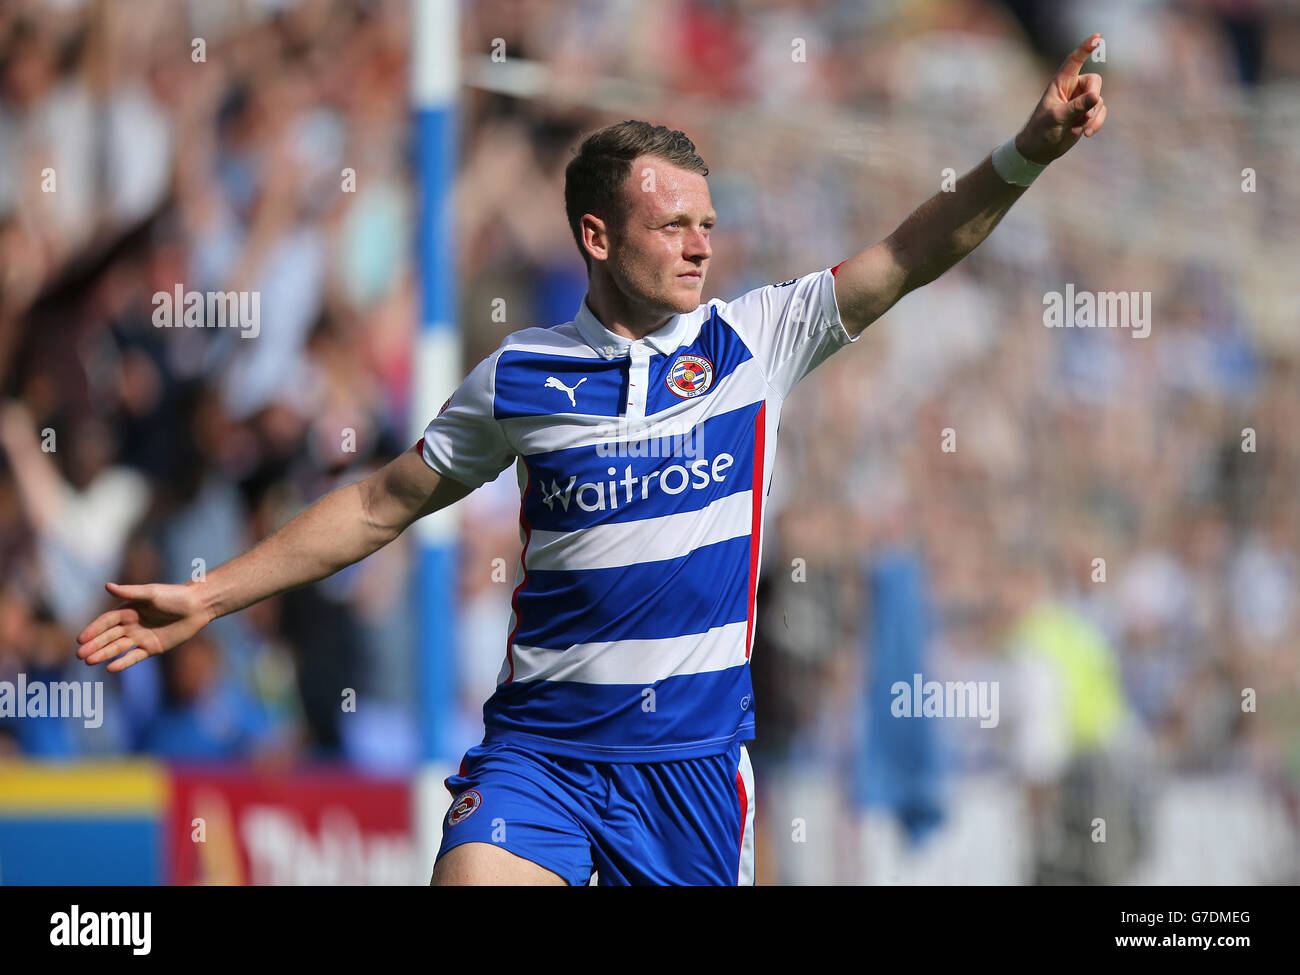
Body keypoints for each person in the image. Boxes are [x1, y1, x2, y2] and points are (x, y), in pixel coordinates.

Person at [76, 35, 1108, 885]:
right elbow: (381, 505)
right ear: (598, 236)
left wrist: (1025, 153)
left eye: (708, 222)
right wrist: (213, 597)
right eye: (673, 225)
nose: (702, 245)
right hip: (543, 759)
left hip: (691, 778)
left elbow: (915, 250)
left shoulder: (758, 340)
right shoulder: (520, 376)